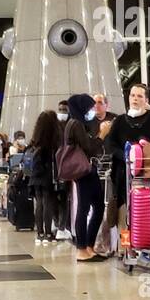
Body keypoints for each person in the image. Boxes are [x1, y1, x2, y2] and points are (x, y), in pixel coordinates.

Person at [61, 94, 108, 262]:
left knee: (97, 207)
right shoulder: (76, 125)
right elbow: (90, 148)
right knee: (84, 208)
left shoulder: (77, 123)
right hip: (84, 172)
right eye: (89, 107)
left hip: (88, 171)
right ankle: (82, 248)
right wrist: (102, 134)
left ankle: (88, 246)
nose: (92, 111)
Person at [105, 83, 150, 215]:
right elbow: (110, 144)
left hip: (149, 172)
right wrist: (126, 156)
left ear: (146, 100)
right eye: (132, 95)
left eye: (139, 96)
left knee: (147, 210)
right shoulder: (119, 120)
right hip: (123, 172)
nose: (135, 99)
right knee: (125, 212)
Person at [29, 110, 61, 244]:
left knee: (39, 203)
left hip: (36, 175)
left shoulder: (35, 140)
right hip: (47, 174)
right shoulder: (52, 141)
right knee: (48, 202)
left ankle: (39, 233)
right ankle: (48, 233)